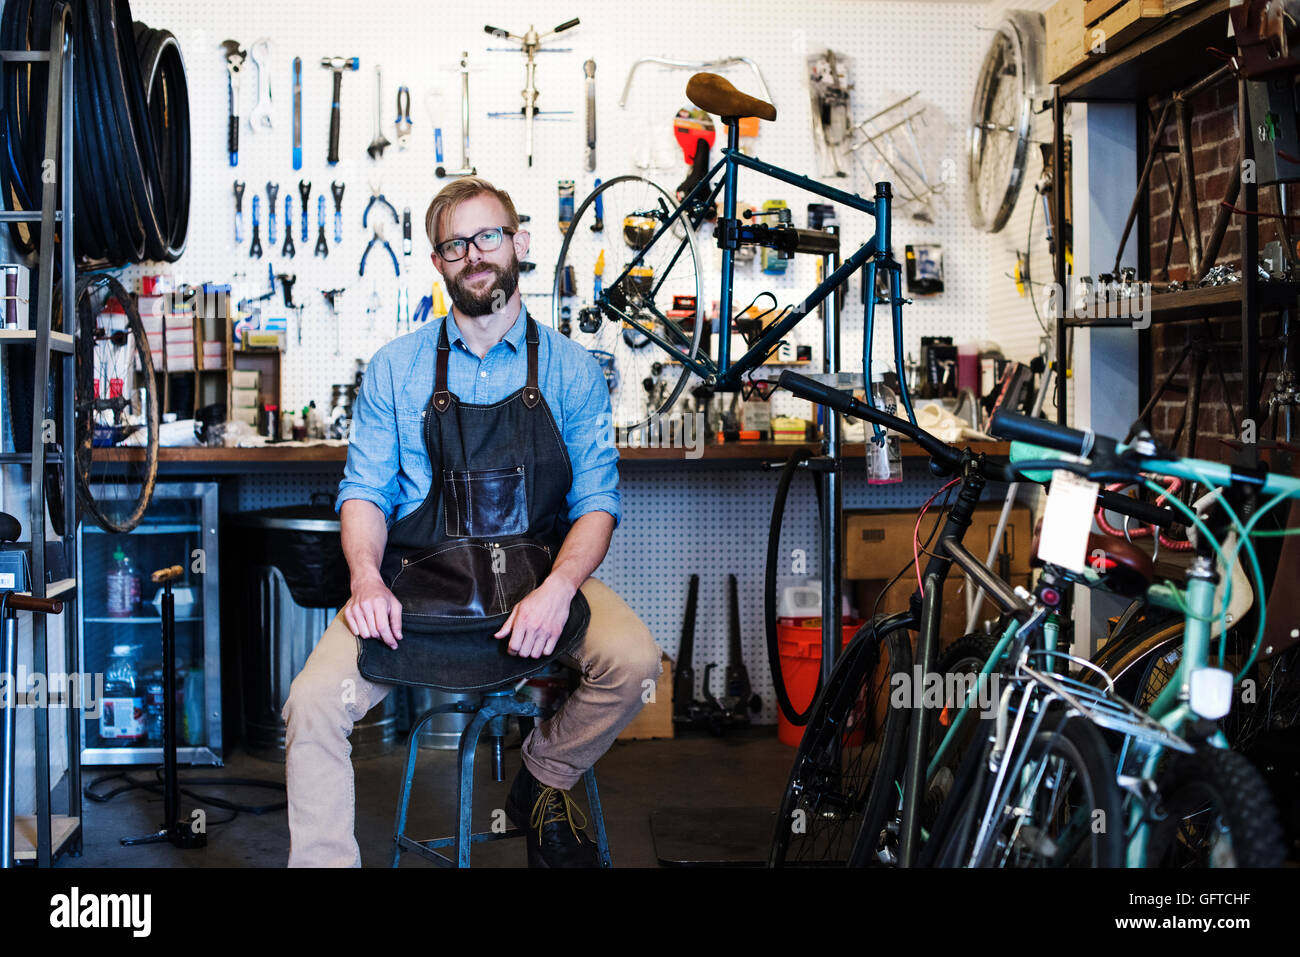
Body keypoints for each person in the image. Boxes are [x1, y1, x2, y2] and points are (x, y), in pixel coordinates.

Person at [282, 176, 661, 867]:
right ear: (438, 263)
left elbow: (597, 503)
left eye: (488, 236)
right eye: (454, 244)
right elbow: (363, 490)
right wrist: (365, 578)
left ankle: (544, 771)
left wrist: (559, 587)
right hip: (417, 591)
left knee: (635, 665)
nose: (474, 254)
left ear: (518, 242)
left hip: (538, 580)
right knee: (312, 702)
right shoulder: (396, 370)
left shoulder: (574, 372)